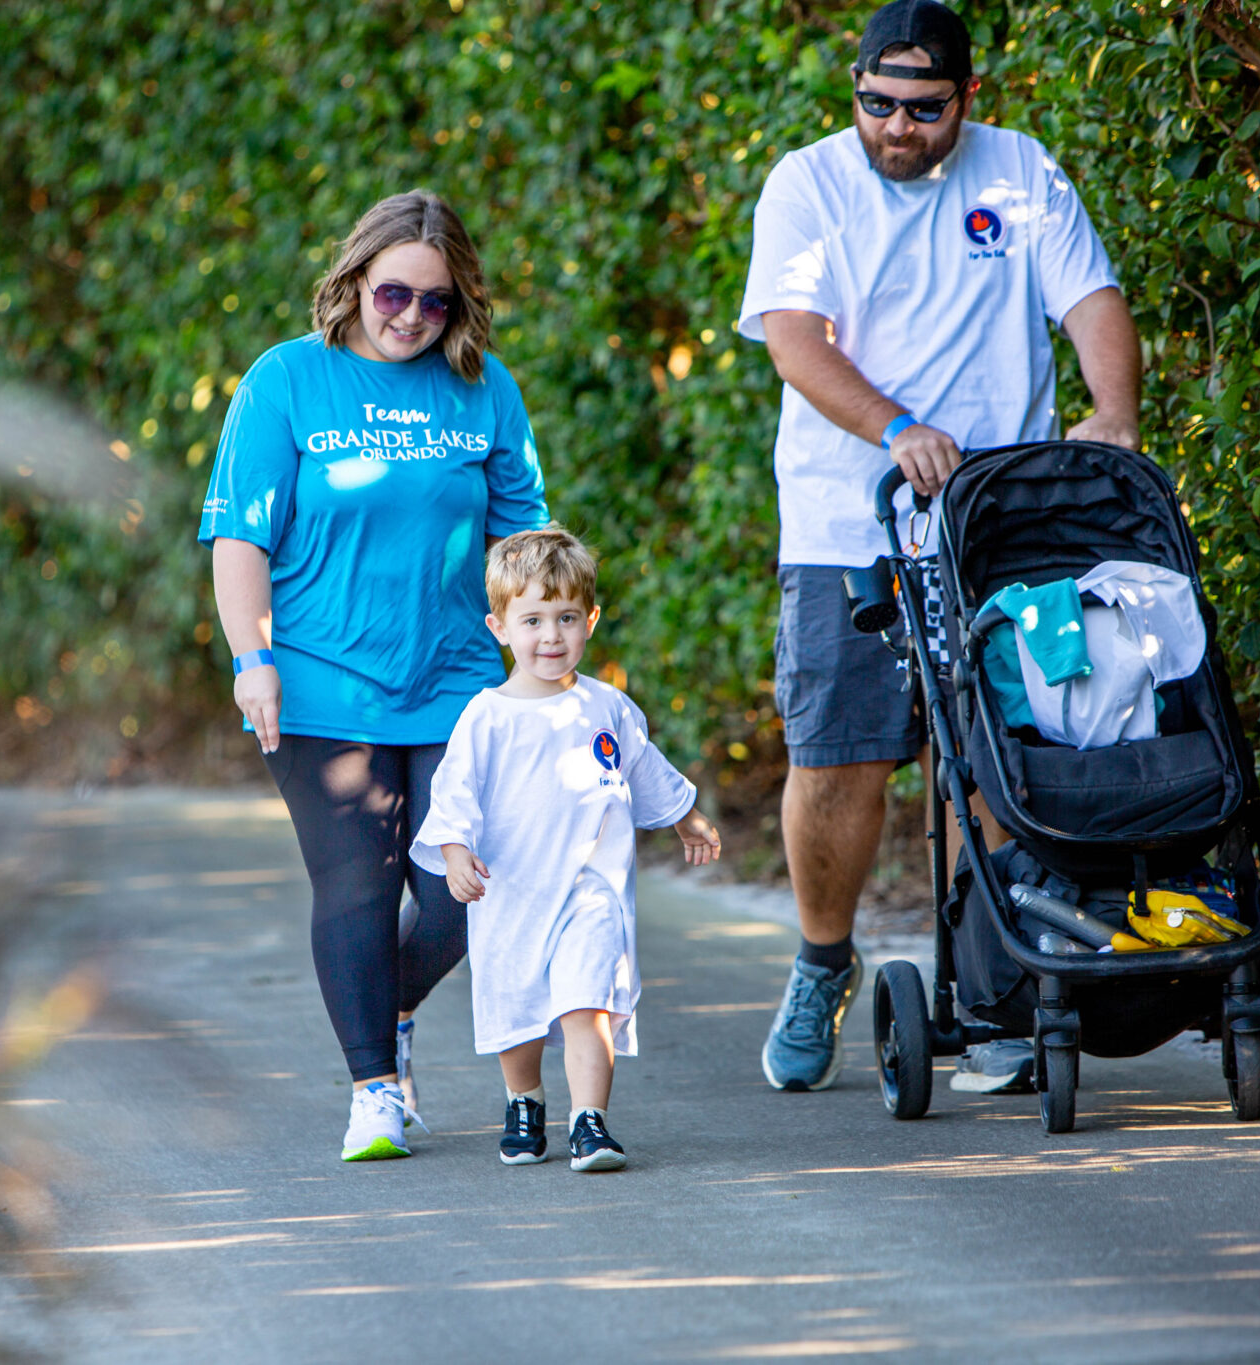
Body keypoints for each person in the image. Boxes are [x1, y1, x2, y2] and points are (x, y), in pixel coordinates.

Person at [737, 0, 1142, 1096]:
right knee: (838, 759)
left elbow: (1091, 300)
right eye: (877, 104)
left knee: (998, 756)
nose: (897, 128)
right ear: (855, 89)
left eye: (923, 109)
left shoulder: (1020, 171)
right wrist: (895, 429)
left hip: (1000, 520)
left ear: (968, 97)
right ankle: (823, 961)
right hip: (846, 519)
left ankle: (992, 984)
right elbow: (794, 340)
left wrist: (1112, 414)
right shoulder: (807, 183)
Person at [202, 190, 549, 1162]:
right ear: (354, 280)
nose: (411, 317)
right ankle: (374, 1088)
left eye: (436, 301)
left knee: (467, 892)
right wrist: (252, 661)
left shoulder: (483, 388)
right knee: (356, 887)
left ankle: (382, 1006)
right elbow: (240, 536)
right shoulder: (286, 380)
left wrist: (546, 662)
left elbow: (523, 543)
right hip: (320, 684)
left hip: (458, 684)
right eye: (394, 293)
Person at [412, 528, 720, 1171]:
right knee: (516, 1006)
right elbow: (454, 792)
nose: (550, 636)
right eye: (533, 620)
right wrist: (455, 851)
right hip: (512, 893)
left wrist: (685, 816)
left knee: (589, 999)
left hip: (590, 889)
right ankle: (524, 1101)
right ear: (500, 627)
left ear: (591, 621)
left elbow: (644, 767)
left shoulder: (606, 706)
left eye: (567, 618)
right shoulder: (487, 716)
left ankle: (590, 1122)